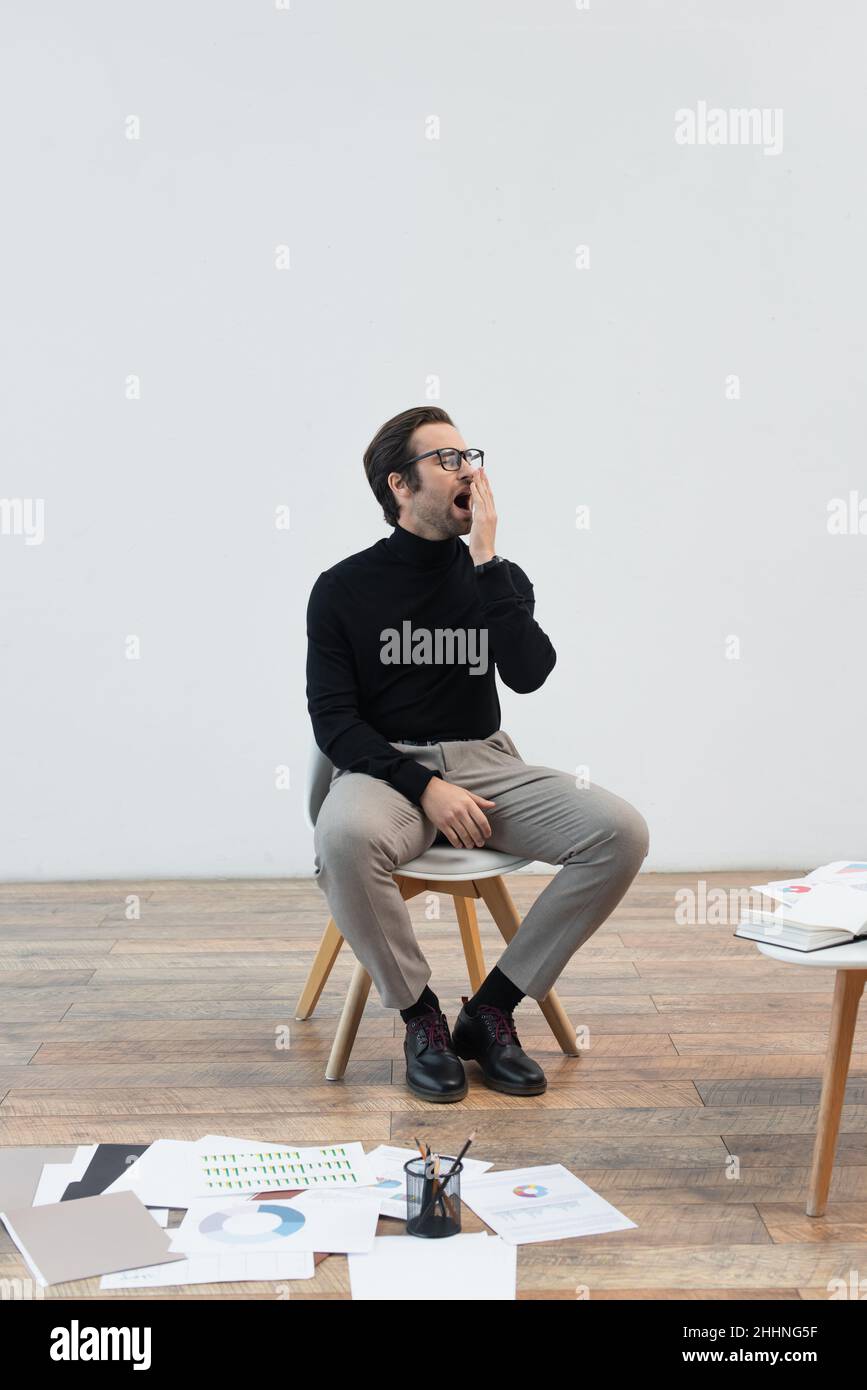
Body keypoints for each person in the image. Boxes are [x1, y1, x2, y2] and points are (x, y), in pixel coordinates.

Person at [305, 405, 649, 1102]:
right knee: (342, 838)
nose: (472, 471)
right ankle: (420, 1016)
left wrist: (487, 562)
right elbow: (334, 722)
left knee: (619, 832)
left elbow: (529, 673)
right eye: (450, 460)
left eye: (472, 456)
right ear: (400, 485)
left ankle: (491, 1009)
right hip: (384, 769)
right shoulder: (342, 588)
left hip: (486, 762)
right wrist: (424, 787)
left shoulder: (496, 576)